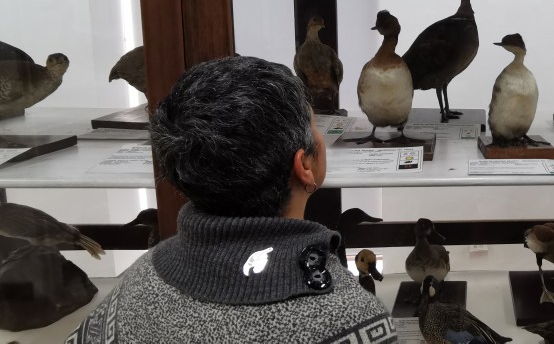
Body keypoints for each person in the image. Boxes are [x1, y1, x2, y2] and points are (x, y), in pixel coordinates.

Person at [68, 56, 396, 343]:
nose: (321, 138)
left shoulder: (140, 280)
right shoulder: (349, 319)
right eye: (314, 125)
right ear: (305, 166)